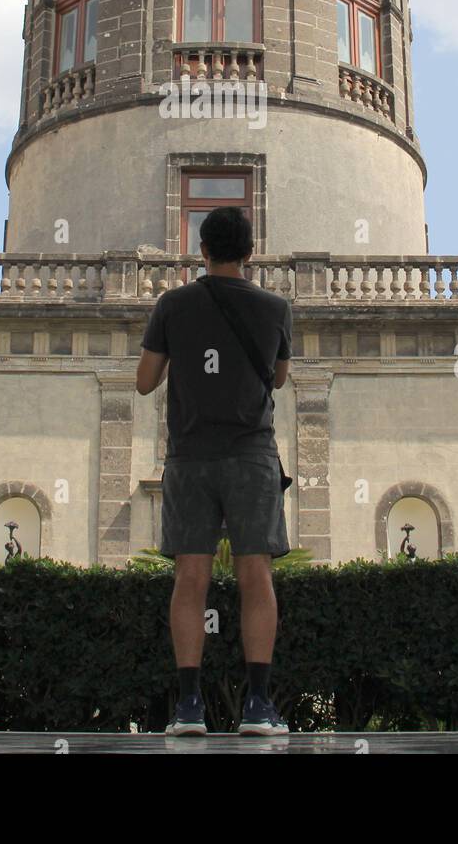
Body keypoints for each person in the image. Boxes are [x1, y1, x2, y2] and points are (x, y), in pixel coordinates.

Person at [135, 205, 292, 737]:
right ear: (250, 252)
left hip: (190, 455)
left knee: (190, 578)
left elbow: (143, 382)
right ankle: (258, 705)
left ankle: (187, 706)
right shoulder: (275, 308)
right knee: (256, 576)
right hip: (252, 455)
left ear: (203, 251)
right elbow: (280, 377)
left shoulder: (173, 304)